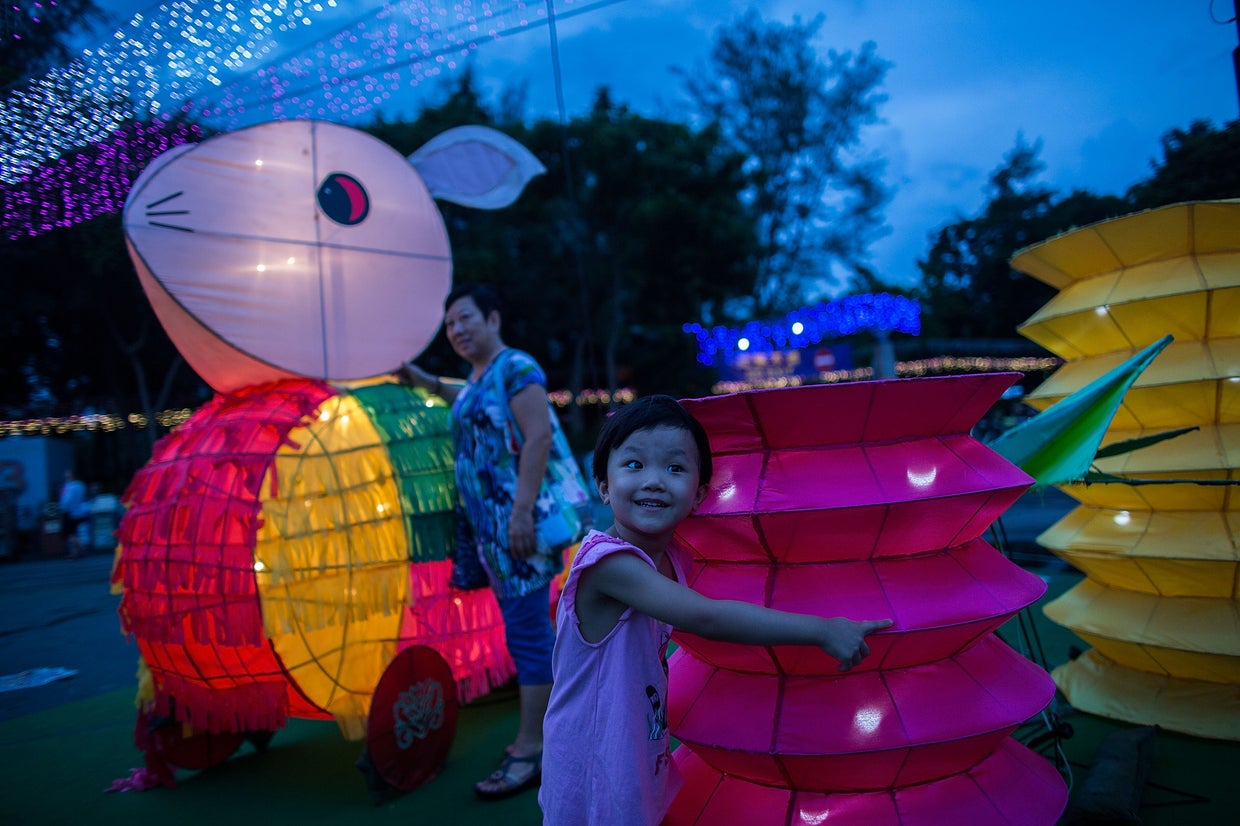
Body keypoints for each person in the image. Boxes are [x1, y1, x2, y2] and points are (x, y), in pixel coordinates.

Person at [539, 395, 893, 825]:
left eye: (675, 468)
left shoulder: (671, 558)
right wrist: (822, 630)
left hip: (632, 750)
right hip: (593, 762)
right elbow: (707, 617)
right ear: (604, 484)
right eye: (634, 465)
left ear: (700, 493)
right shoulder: (609, 564)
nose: (653, 481)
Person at [398, 282, 586, 799]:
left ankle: (535, 749)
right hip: (496, 529)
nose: (456, 330)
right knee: (527, 628)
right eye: (450, 324)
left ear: (493, 319)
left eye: (465, 319)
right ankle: (552, 733)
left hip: (515, 527)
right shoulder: (482, 379)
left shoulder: (516, 367)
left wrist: (521, 513)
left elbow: (538, 436)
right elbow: (470, 400)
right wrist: (425, 381)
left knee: (528, 632)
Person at [58, 469, 88, 559]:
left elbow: (67, 499)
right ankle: (75, 553)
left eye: (67, 475)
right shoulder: (81, 485)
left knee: (68, 533)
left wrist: (62, 507)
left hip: (69, 512)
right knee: (73, 532)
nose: (66, 477)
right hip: (79, 511)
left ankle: (81, 546)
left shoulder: (69, 486)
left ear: (71, 476)